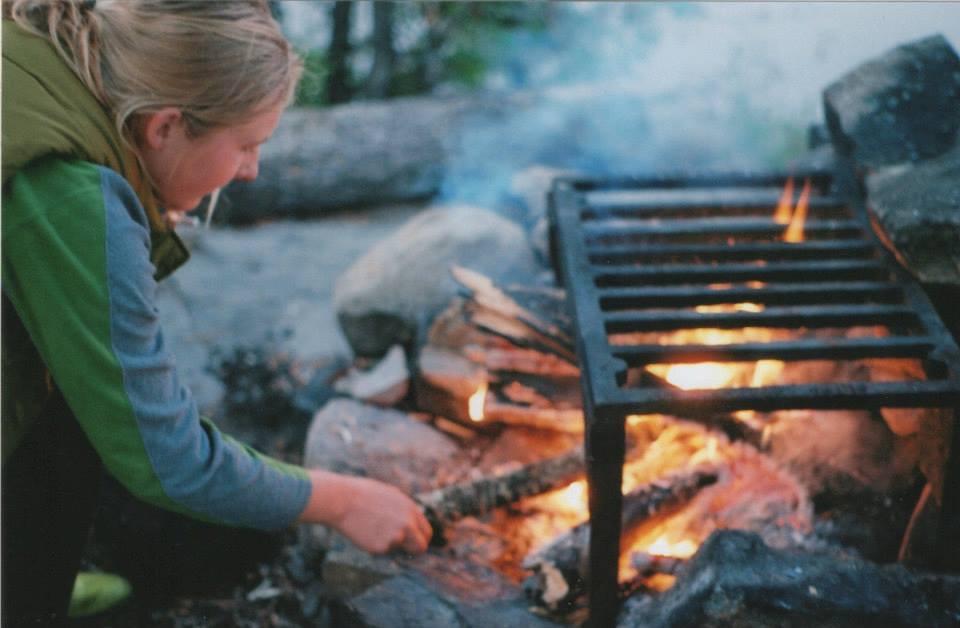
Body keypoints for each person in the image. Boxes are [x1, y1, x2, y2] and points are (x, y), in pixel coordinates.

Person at [1, 1, 432, 624]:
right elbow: (165, 458)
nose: (251, 171)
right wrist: (341, 500)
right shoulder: (71, 196)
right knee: (77, 422)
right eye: (246, 145)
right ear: (165, 127)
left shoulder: (33, 59)